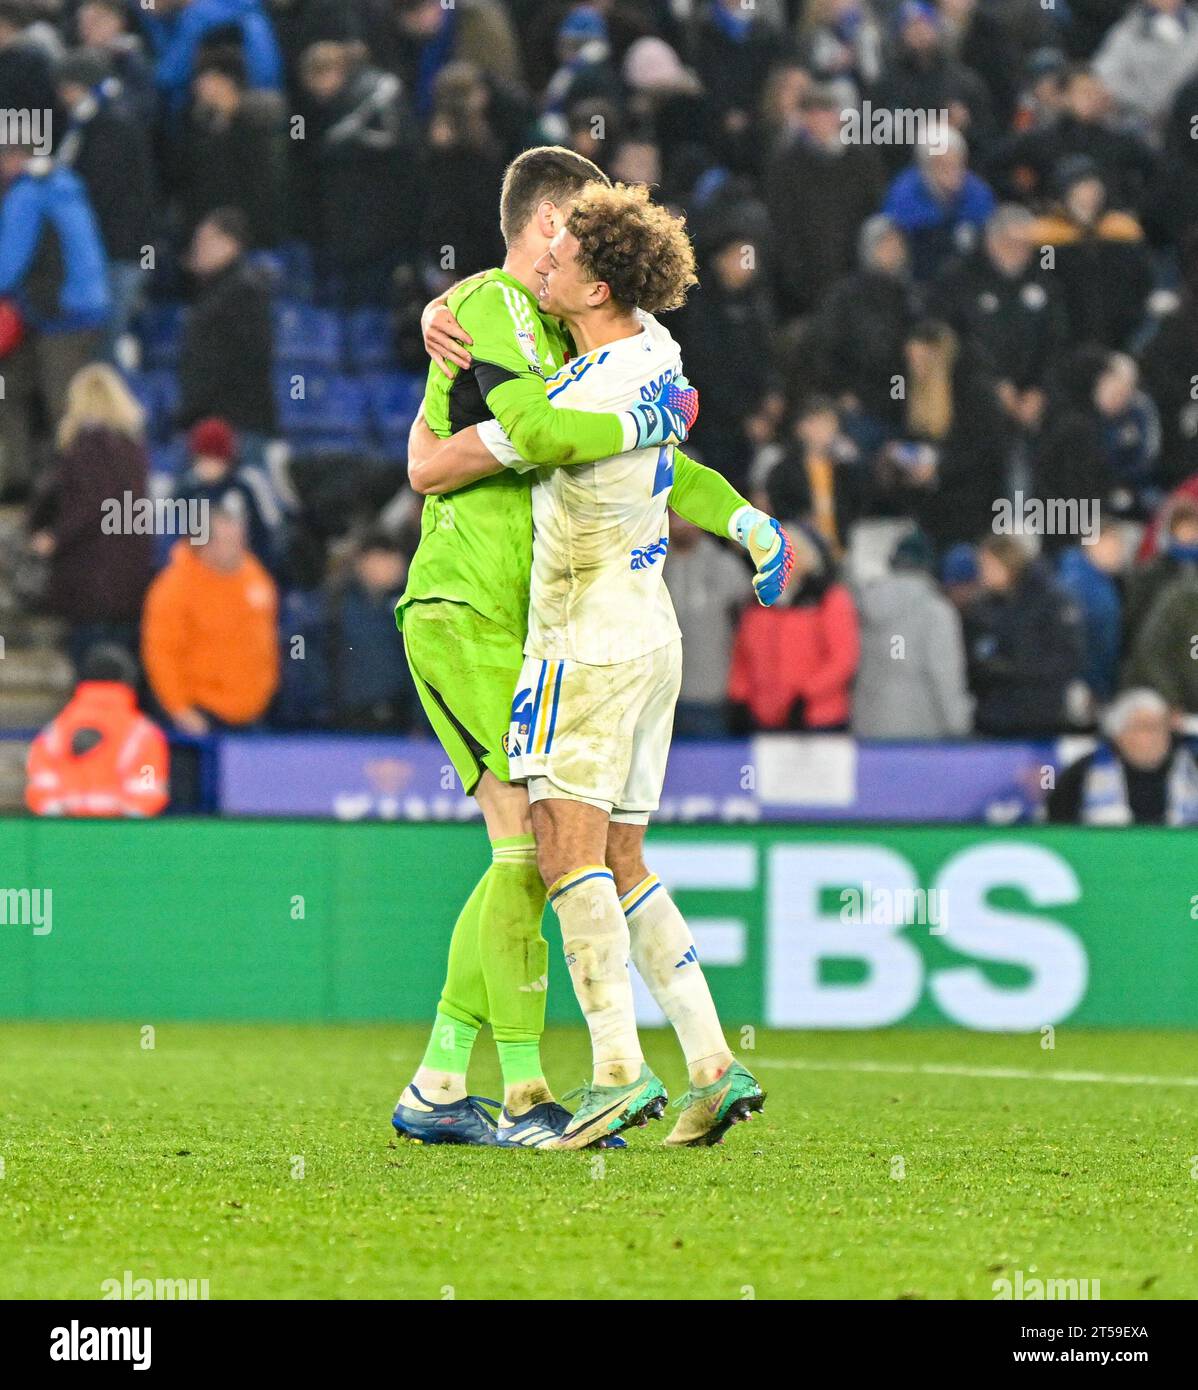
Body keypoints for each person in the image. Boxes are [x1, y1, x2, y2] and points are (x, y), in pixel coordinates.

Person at [392, 147, 786, 1149]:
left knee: (550, 850)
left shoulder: (575, 371)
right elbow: (436, 462)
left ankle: (589, 1073)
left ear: (591, 270)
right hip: (613, 627)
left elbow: (506, 443)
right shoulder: (646, 347)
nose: (559, 253)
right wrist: (744, 520)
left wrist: (585, 416)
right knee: (606, 851)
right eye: (559, 232)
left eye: (576, 246)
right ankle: (702, 1059)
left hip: (576, 635)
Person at [27, 363, 152, 673]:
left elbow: (88, 504)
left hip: (89, 586)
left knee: (92, 681)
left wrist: (53, 537)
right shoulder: (134, 450)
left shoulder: (86, 448)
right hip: (130, 586)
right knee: (122, 680)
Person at [0, 141, 109, 493]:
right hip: (83, 311)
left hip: (60, 316)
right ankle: (25, 479)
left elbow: (9, 262)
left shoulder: (28, 194)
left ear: (14, 158)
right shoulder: (66, 184)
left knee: (63, 407)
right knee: (16, 385)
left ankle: (73, 492)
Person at [141, 505, 279, 735]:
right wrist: (179, 710)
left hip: (253, 713)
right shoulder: (174, 589)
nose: (236, 548)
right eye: (226, 541)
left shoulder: (256, 578)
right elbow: (161, 654)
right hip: (203, 715)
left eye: (239, 539)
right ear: (202, 544)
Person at [55, 48, 156, 360]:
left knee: (102, 353)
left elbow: (106, 194)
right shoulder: (100, 122)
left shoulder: (110, 125)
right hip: (115, 251)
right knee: (101, 351)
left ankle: (120, 409)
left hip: (118, 253)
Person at [729, 523, 857, 731]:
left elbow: (843, 660)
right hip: (765, 719)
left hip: (817, 719)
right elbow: (742, 657)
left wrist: (805, 696)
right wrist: (740, 698)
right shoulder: (757, 603)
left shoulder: (829, 600)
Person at [177, 207, 276, 464]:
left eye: (205, 240)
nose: (197, 247)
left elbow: (248, 359)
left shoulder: (244, 292)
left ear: (230, 244)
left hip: (236, 427)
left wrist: (196, 406)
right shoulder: (214, 291)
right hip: (216, 424)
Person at [851, 529, 972, 738]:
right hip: (922, 733)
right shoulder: (936, 612)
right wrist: (960, 726)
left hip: (868, 728)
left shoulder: (861, 605)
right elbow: (945, 675)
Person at [25, 644, 169, 818]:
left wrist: (58, 818)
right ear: (130, 681)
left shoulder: (55, 730)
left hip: (64, 833)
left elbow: (40, 781)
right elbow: (148, 788)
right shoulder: (144, 734)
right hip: (120, 835)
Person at [965, 534, 1085, 735]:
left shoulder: (1051, 602)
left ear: (1008, 563)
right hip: (993, 719)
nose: (982, 573)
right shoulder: (982, 607)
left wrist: (1013, 670)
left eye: (988, 566)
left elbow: (1067, 657)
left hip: (1040, 718)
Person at [1046, 688, 1198, 825]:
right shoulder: (1082, 773)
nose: (1157, 736)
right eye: (1146, 727)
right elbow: (1058, 826)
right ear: (1119, 735)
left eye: (1162, 726)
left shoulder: (1193, 767)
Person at [663, 512, 752, 737]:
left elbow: (748, 621)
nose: (682, 524)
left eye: (688, 516)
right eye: (676, 518)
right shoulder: (652, 565)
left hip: (711, 692)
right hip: (660, 695)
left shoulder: (725, 564)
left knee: (709, 767)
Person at [172, 416, 278, 568]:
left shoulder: (243, 490)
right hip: (197, 571)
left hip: (239, 570)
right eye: (203, 458)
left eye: (215, 458)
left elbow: (261, 539)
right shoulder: (186, 493)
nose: (209, 466)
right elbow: (175, 538)